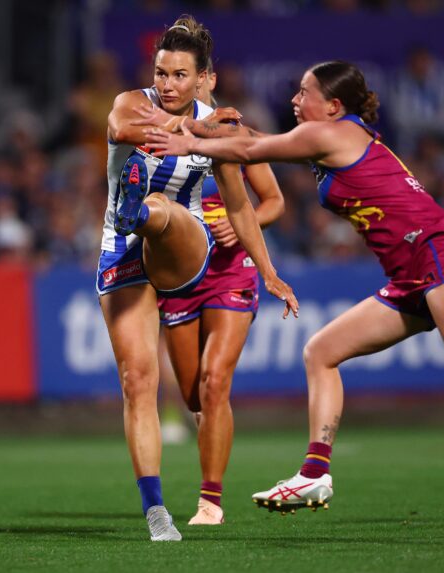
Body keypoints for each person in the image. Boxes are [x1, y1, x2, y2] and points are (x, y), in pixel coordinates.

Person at [140, 60, 444, 514]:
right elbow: (253, 139)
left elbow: (250, 149)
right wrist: (198, 125)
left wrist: (188, 140)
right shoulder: (323, 137)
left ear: (333, 105)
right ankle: (314, 474)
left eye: (304, 92)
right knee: (321, 353)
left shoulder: (334, 133)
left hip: (438, 249)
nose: (294, 100)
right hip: (409, 274)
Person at [98, 15, 297, 541]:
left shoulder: (219, 129)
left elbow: (243, 205)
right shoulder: (132, 102)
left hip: (187, 248)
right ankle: (156, 513)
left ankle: (142, 211)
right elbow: (121, 130)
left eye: (179, 75)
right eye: (161, 73)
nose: (166, 84)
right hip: (122, 256)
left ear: (202, 78)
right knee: (139, 381)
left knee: (166, 210)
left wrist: (269, 271)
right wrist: (197, 131)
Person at [157, 61, 285, 525]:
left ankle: (210, 501)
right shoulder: (163, 134)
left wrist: (242, 223)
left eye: (192, 76)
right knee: (195, 396)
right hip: (179, 278)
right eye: (170, 76)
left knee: (215, 381)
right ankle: (210, 428)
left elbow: (273, 202)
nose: (181, 84)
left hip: (232, 272)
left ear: (209, 80)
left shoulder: (238, 136)